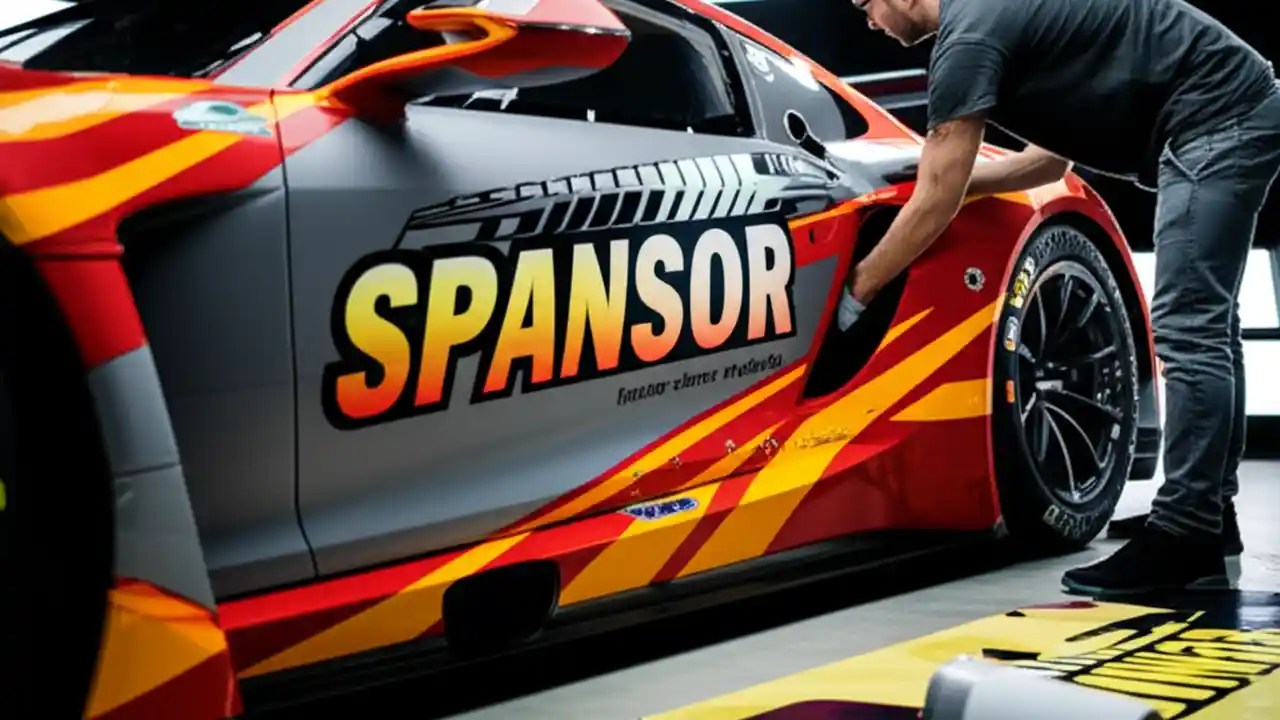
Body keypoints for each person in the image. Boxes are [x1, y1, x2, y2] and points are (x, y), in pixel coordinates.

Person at [842, 0, 1280, 595]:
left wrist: (859, 291)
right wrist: (960, 183)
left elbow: (936, 198)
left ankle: (1186, 537)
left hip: (1216, 116)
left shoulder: (968, 39)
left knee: (1188, 328)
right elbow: (1047, 160)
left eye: (864, 5)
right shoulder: (995, 17)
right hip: (1234, 104)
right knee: (1211, 327)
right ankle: (1208, 514)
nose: (867, 21)